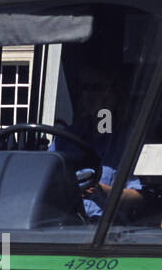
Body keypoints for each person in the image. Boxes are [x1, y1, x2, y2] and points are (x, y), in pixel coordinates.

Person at [52, 65, 143, 220]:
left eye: (97, 88)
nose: (90, 95)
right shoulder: (65, 137)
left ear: (115, 94)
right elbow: (47, 177)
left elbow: (140, 197)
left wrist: (101, 191)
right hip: (63, 225)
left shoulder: (129, 140)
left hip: (105, 231)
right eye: (85, 88)